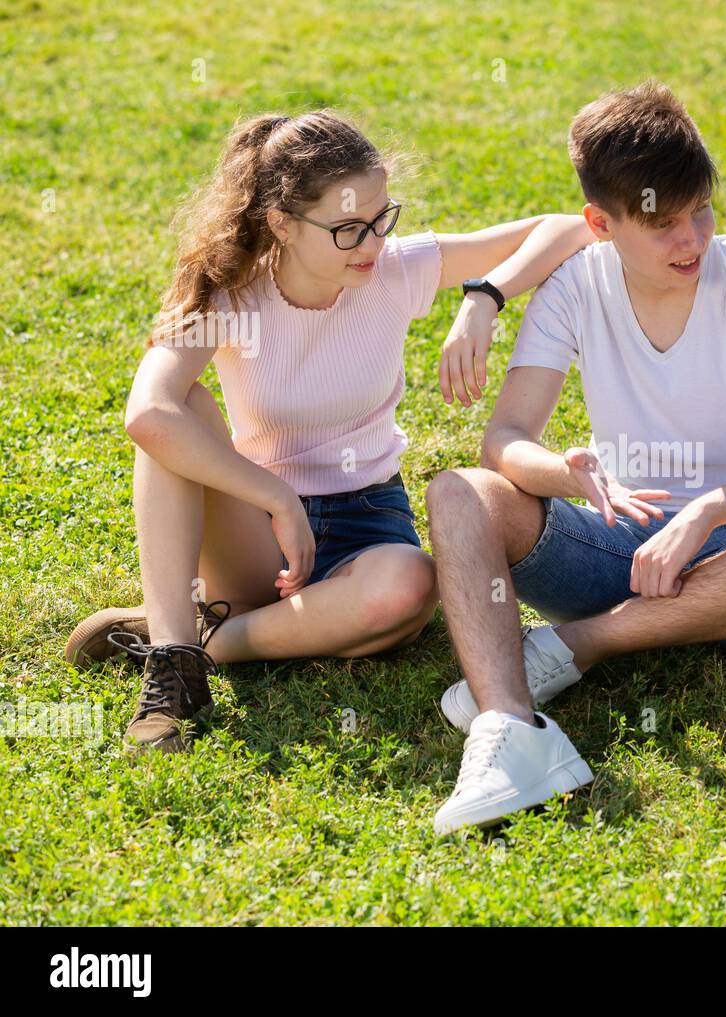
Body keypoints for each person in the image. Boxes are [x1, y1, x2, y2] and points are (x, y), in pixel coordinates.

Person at [424, 81, 726, 835]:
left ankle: (585, 643)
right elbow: (503, 441)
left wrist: (709, 510)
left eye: (700, 210)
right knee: (458, 493)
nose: (692, 240)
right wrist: (567, 474)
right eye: (663, 223)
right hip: (627, 544)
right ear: (600, 225)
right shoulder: (574, 286)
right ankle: (511, 725)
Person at [64, 109, 595, 756]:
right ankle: (174, 671)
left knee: (409, 587)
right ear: (282, 224)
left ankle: (198, 639)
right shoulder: (233, 293)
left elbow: (567, 227)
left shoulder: (394, 269)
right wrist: (277, 499)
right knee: (178, 412)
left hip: (368, 523)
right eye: (347, 229)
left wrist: (483, 298)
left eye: (381, 219)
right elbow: (147, 413)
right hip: (256, 530)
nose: (371, 244)